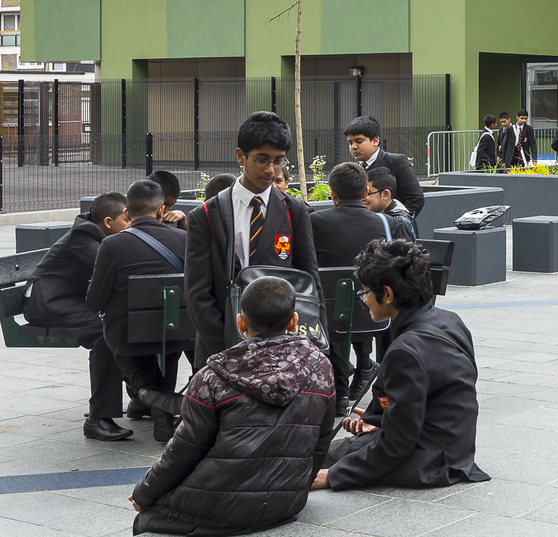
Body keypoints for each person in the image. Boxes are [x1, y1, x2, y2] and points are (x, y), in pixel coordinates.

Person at [128, 276, 336, 537]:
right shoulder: (321, 366)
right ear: (294, 321)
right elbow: (320, 442)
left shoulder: (211, 376)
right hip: (287, 502)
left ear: (240, 323)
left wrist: (144, 492)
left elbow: (184, 449)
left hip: (218, 506)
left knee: (146, 520)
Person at [315, 240, 489, 491]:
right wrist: (385, 418)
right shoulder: (449, 320)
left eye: (365, 292)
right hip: (453, 451)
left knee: (312, 458)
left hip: (428, 462)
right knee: (326, 450)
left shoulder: (405, 351)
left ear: (386, 294)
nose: (364, 301)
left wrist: (333, 476)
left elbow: (396, 443)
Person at [185, 111, 321, 367]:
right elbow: (197, 293)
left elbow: (310, 281)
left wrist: (317, 345)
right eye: (261, 160)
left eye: (278, 161)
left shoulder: (295, 210)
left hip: (283, 349)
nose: (271, 170)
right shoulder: (206, 214)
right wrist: (229, 348)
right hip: (222, 348)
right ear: (240, 156)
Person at [24, 191, 133, 441]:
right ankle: (98, 418)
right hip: (47, 302)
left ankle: (141, 396)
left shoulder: (97, 232)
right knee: (106, 331)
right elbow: (108, 271)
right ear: (108, 222)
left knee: (125, 322)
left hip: (69, 298)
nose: (131, 226)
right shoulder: (84, 235)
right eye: (127, 221)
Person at [88, 180, 192, 441]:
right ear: (160, 212)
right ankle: (161, 407)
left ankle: (146, 393)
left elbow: (95, 301)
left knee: (124, 331)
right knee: (167, 332)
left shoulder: (112, 246)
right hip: (178, 332)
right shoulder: (184, 238)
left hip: (129, 335)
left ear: (126, 213)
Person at [312, 161, 402, 415]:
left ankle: (340, 394)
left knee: (337, 308)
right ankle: (366, 366)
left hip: (329, 317)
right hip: (375, 314)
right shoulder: (386, 224)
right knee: (356, 299)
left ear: (333, 192)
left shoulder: (316, 221)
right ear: (365, 193)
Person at [346, 116, 425, 218]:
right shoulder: (354, 169)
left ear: (375, 141)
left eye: (359, 141)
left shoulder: (397, 161)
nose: (354, 147)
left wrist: (395, 222)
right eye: (350, 143)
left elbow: (416, 199)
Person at [364, 169, 418, 238]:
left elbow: (403, 248)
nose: (363, 198)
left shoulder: (400, 223)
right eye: (363, 193)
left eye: (368, 193)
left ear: (386, 194)